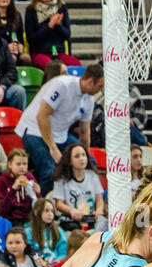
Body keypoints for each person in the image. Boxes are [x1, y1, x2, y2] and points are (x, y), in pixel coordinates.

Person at [16, 64, 103, 196]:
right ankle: (43, 207)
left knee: (91, 163)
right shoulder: (63, 85)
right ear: (90, 82)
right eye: (100, 86)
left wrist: (84, 154)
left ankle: (80, 197)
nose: (101, 91)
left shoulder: (89, 99)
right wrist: (53, 148)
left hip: (60, 134)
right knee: (50, 171)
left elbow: (85, 132)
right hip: (34, 130)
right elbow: (42, 116)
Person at [25, 0, 78, 70]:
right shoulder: (31, 10)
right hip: (39, 53)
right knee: (53, 68)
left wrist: (58, 24)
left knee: (76, 65)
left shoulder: (61, 8)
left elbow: (67, 35)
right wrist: (49, 26)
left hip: (59, 52)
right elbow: (31, 38)